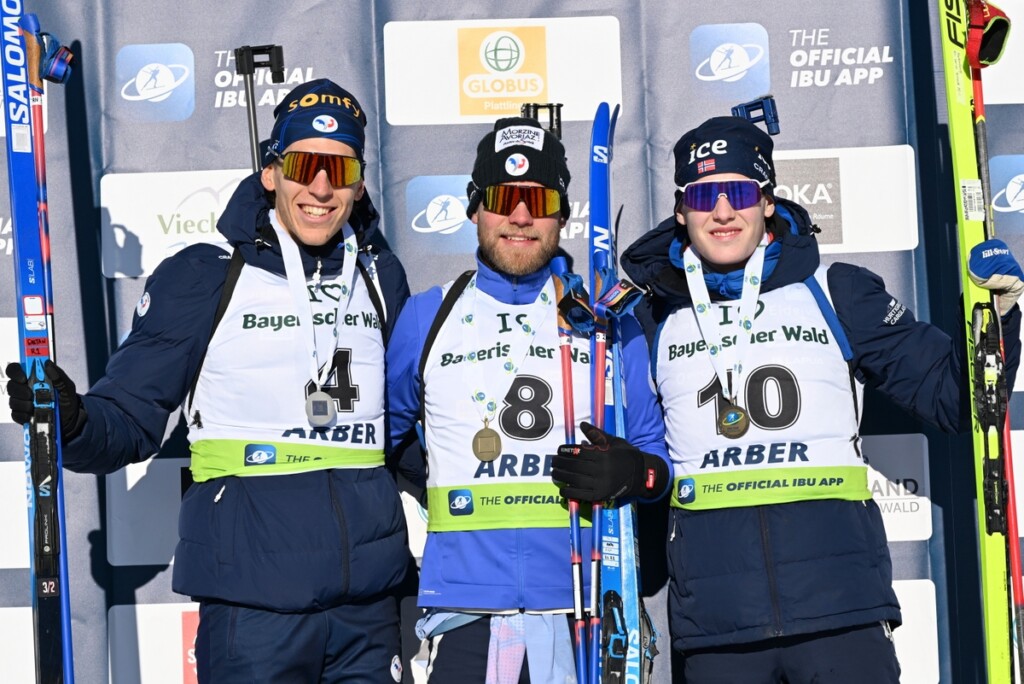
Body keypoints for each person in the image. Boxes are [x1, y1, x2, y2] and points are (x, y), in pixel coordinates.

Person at [6, 79, 411, 683]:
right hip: (254, 608)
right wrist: (73, 421)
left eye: (341, 169)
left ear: (358, 182)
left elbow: (411, 427)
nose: (322, 188)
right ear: (271, 172)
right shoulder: (207, 276)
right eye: (305, 165)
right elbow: (130, 416)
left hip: (369, 614)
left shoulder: (379, 276)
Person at [618, 115, 1023, 683]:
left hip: (841, 613)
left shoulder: (836, 290)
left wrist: (997, 318)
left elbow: (953, 399)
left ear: (766, 201)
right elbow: (640, 450)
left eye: (740, 193)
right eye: (705, 196)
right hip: (717, 627)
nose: (723, 212)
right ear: (682, 211)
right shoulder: (649, 318)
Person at [386, 117, 670, 682]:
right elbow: (383, 446)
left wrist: (631, 473)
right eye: (502, 199)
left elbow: (657, 464)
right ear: (475, 209)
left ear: (562, 215)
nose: (520, 217)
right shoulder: (427, 316)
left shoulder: (606, 320)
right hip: (464, 614)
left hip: (584, 606)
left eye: (538, 201)